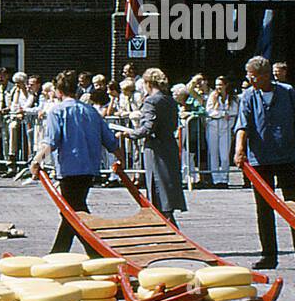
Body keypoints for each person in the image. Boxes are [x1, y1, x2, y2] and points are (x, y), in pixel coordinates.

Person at [234, 56, 295, 271]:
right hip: (260, 160)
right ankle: (268, 255)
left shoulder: (287, 92)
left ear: (265, 76)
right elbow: (242, 125)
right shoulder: (248, 95)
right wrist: (239, 150)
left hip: (285, 157)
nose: (249, 78)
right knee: (263, 209)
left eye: (253, 75)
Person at [29, 71, 123, 254]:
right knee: (75, 211)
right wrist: (121, 157)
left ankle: (87, 253)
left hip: (69, 167)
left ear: (58, 90)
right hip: (89, 167)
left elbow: (52, 140)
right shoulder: (90, 111)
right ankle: (86, 252)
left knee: (72, 213)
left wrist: (36, 159)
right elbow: (109, 138)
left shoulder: (57, 111)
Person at [121, 69, 187, 224]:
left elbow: (147, 128)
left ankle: (168, 229)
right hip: (169, 146)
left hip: (156, 149)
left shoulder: (151, 101)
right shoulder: (170, 100)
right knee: (167, 186)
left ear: (148, 83)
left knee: (158, 188)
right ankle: (167, 224)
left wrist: (129, 134)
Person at [205, 75, 236, 188]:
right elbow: (209, 111)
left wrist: (225, 115)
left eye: (220, 85)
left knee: (224, 155)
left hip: (226, 129)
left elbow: (234, 111)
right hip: (212, 128)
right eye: (217, 85)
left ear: (226, 85)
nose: (218, 87)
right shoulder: (212, 96)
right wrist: (222, 114)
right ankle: (216, 180)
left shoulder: (232, 97)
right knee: (213, 154)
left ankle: (224, 179)